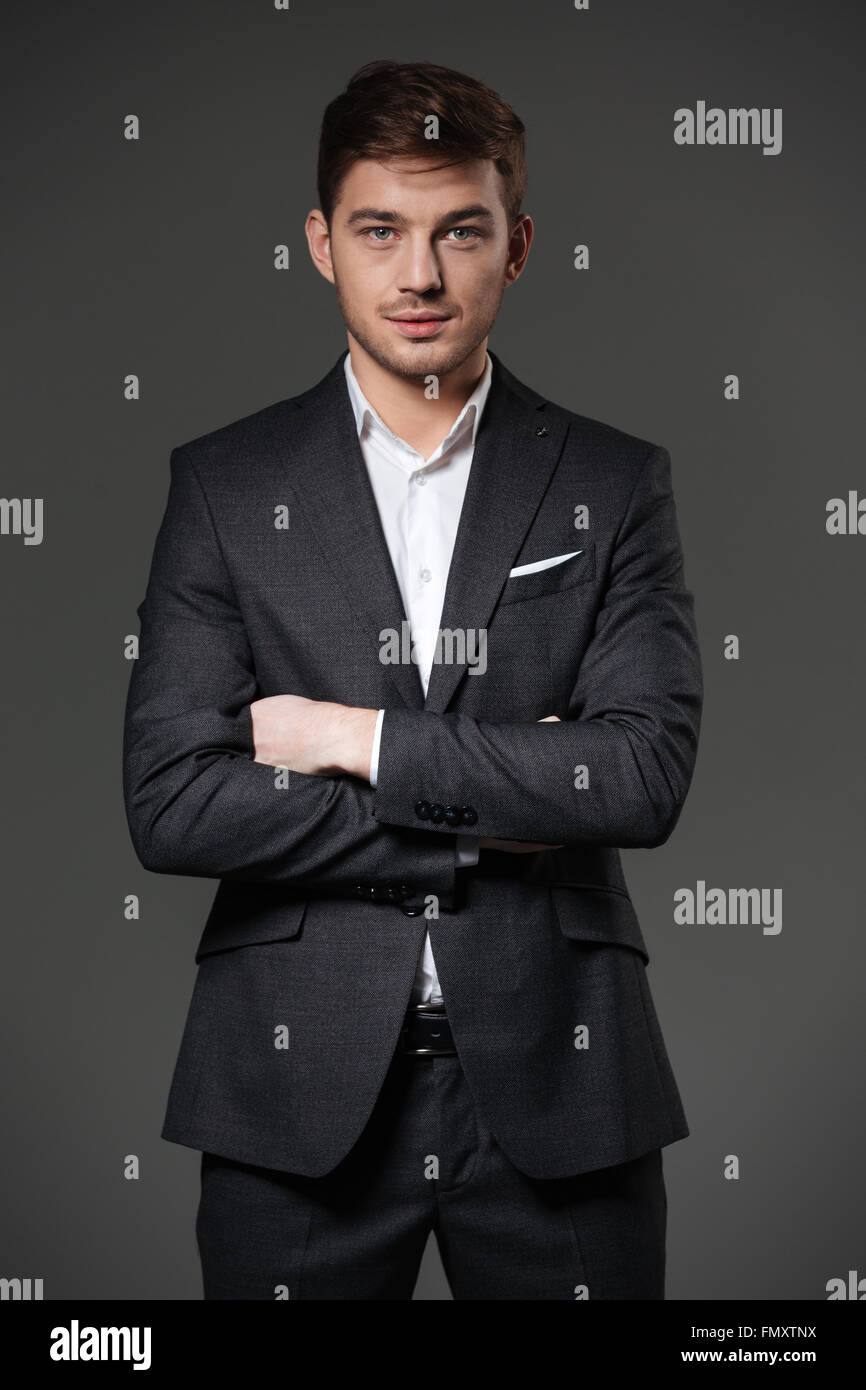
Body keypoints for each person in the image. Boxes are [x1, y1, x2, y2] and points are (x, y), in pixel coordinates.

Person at [122, 58, 703, 1300]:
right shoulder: (224, 485)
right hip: (292, 1093)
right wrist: (504, 799)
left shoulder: (613, 480)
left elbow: (640, 777)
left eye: (460, 232)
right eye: (381, 230)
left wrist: (347, 735)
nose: (421, 275)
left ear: (519, 244)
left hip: (562, 1075)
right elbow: (172, 799)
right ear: (323, 244)